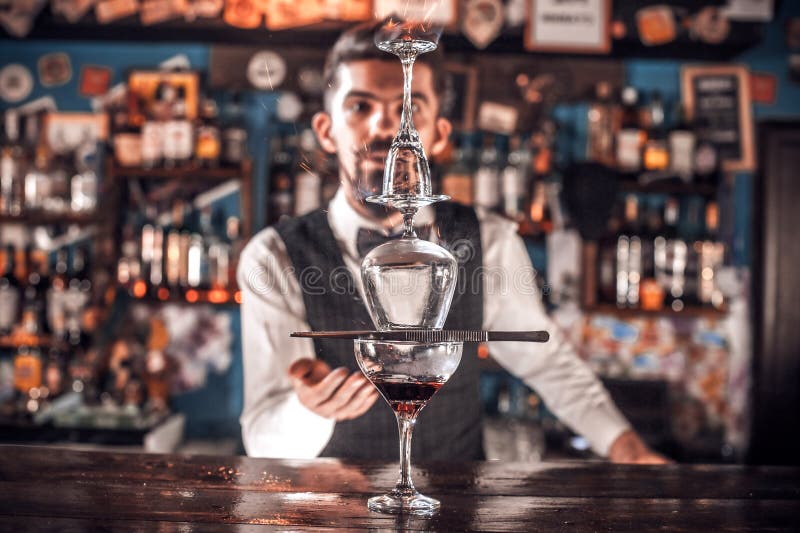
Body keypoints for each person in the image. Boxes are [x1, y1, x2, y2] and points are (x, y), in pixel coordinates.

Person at [238, 20, 667, 464]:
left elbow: (549, 363)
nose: (387, 125)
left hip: (460, 507)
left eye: (410, 107)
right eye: (361, 107)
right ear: (326, 131)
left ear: (439, 135)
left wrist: (627, 448)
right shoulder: (273, 257)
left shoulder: (490, 239)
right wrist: (310, 410)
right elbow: (265, 442)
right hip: (333, 515)